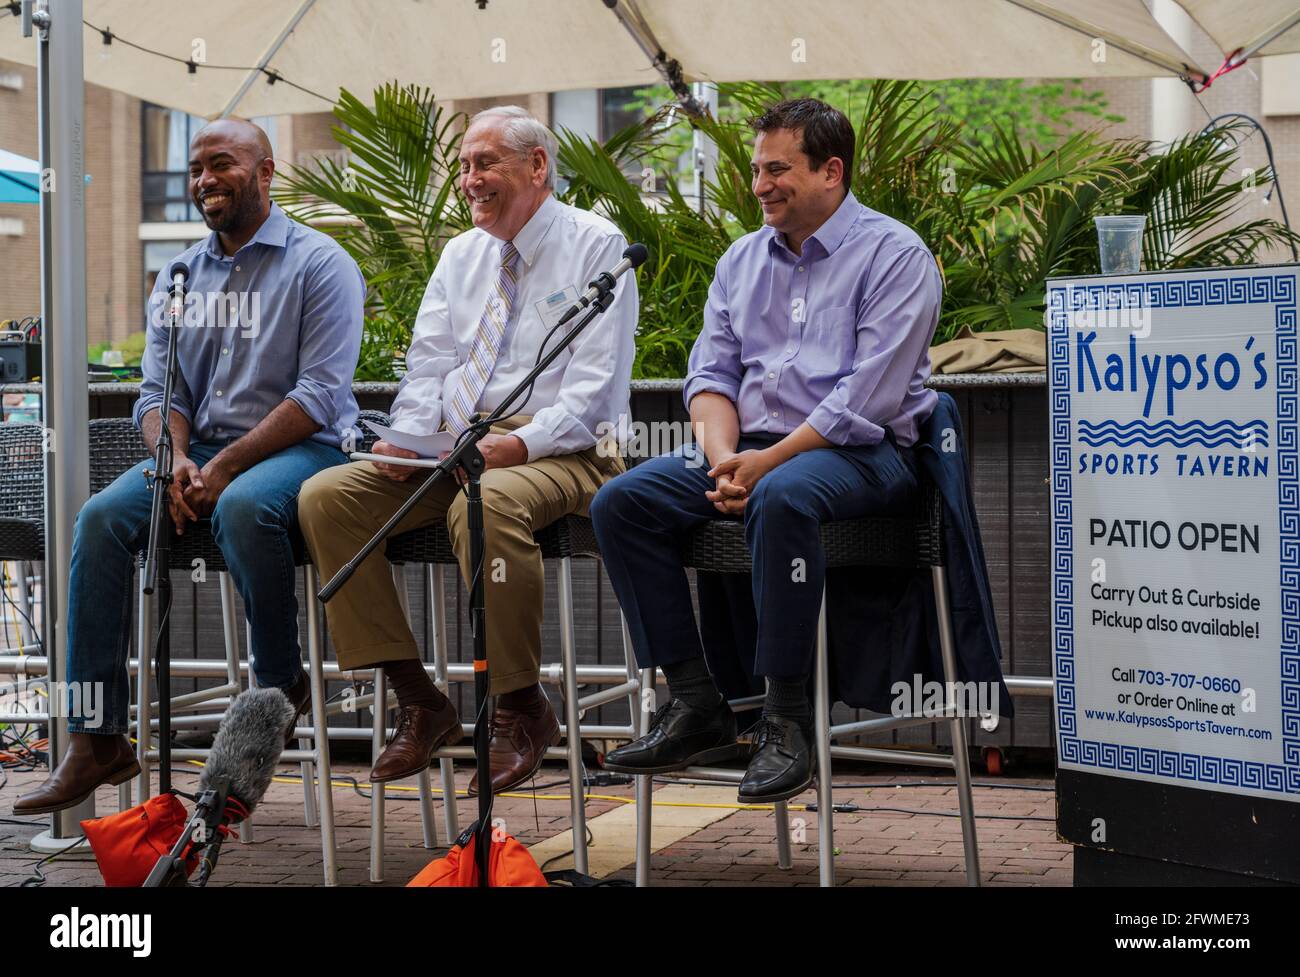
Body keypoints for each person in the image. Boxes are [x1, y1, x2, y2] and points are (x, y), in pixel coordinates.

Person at [590, 98, 942, 803]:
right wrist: (726, 458)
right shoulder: (742, 258)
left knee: (784, 493)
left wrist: (766, 463)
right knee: (621, 502)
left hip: (863, 455)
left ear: (831, 171)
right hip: (748, 448)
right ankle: (696, 701)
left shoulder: (896, 254)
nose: (759, 185)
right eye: (756, 169)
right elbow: (711, 374)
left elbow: (864, 400)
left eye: (777, 169)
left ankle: (787, 721)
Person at [14, 119, 364, 815]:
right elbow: (158, 392)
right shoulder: (179, 275)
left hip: (306, 448)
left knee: (239, 504)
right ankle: (97, 738)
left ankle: (277, 685)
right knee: (102, 516)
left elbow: (319, 394)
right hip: (199, 452)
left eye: (221, 163)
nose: (204, 178)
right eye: (196, 167)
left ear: (266, 173)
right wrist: (174, 460)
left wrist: (225, 466)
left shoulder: (321, 264)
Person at [297, 106, 636, 795]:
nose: (469, 180)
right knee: (328, 497)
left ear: (537, 167)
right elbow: (428, 368)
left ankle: (520, 706)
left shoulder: (597, 245)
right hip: (459, 447)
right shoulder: (461, 254)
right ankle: (419, 700)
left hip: (566, 447)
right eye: (463, 167)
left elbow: (594, 393)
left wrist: (513, 445)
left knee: (483, 504)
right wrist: (405, 442)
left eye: (485, 164)